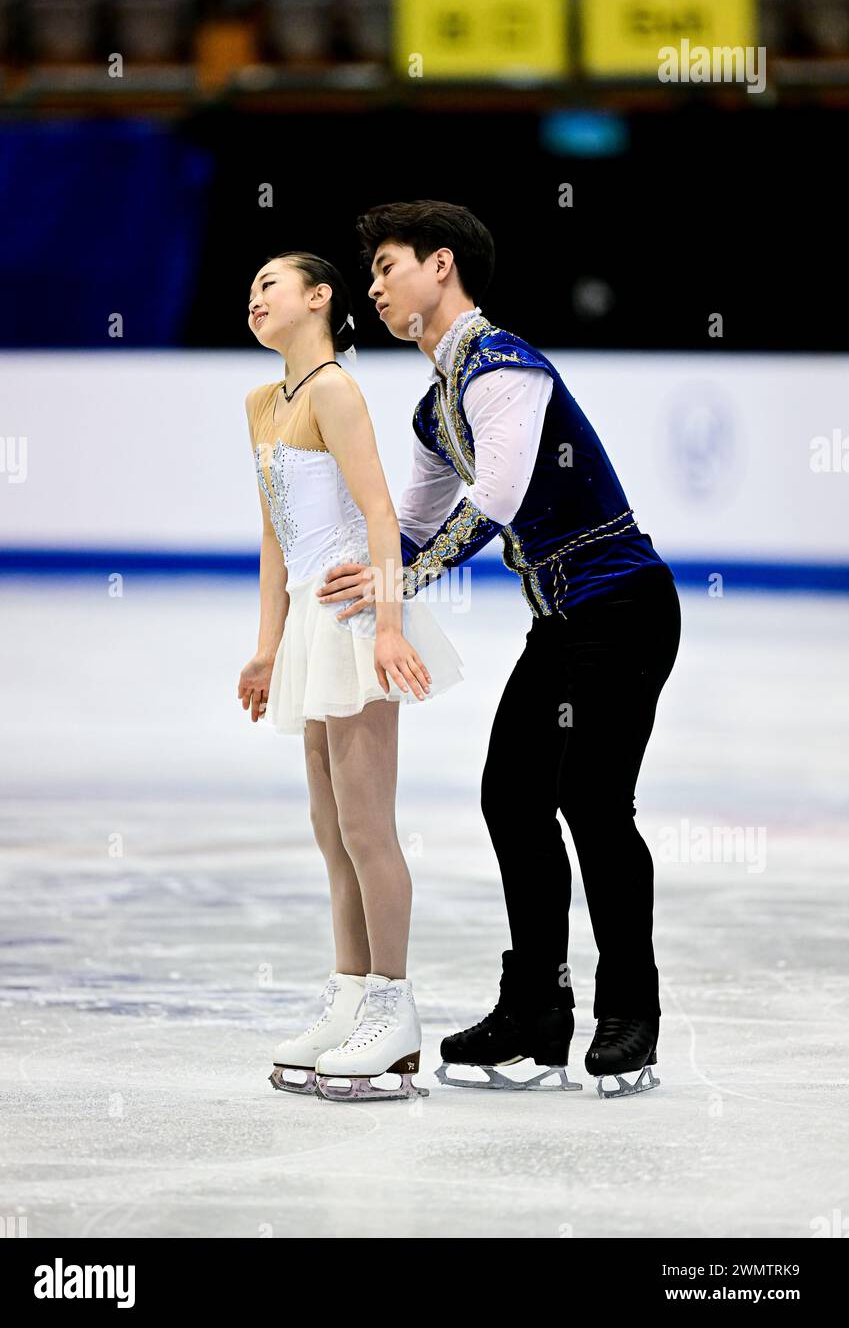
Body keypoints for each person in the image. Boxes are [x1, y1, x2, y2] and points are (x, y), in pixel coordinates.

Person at [315, 202, 682, 1098]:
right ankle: (536, 1011)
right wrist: (352, 568)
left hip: (624, 607)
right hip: (560, 620)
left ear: (441, 266)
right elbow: (412, 520)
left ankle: (630, 1009)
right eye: (370, 278)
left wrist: (400, 582)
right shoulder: (434, 405)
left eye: (387, 267)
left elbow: (500, 498)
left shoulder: (503, 367)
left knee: (592, 800)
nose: (374, 288)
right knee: (512, 797)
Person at [239, 250, 463, 1102]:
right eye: (250, 290)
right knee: (330, 827)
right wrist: (267, 646)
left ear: (318, 298)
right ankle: (349, 995)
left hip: (355, 619)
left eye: (270, 285)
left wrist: (390, 626)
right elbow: (273, 536)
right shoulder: (262, 402)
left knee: (368, 827)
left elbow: (379, 512)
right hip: (307, 619)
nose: (254, 299)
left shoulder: (336, 389)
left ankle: (395, 1010)